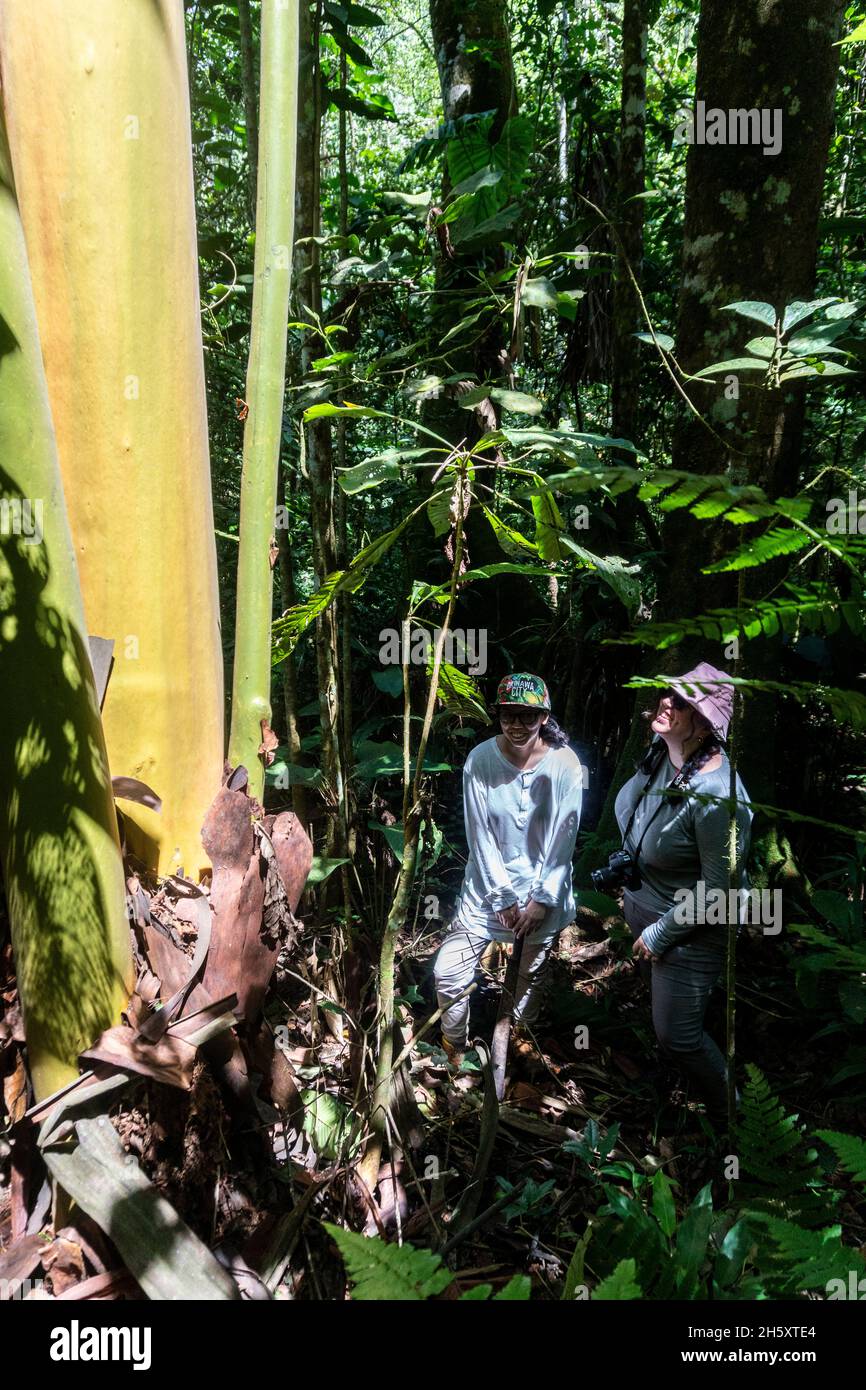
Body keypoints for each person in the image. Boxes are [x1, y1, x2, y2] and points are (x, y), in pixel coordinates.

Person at [610, 661, 752, 1127]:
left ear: (706, 723)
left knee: (680, 1037)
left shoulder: (720, 797)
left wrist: (660, 934)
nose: (666, 701)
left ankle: (734, 1121)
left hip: (689, 934)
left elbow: (723, 887)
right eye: (669, 692)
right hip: (647, 909)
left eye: (684, 701)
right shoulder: (662, 751)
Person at [434, 673, 583, 1065]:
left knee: (527, 980)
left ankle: (516, 1043)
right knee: (448, 973)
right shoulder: (481, 760)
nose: (516, 725)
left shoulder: (565, 765)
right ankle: (455, 1049)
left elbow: (564, 839)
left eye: (527, 716)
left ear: (544, 717)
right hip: (485, 895)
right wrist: (500, 895)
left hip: (540, 900)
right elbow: (478, 832)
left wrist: (542, 900)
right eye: (507, 716)